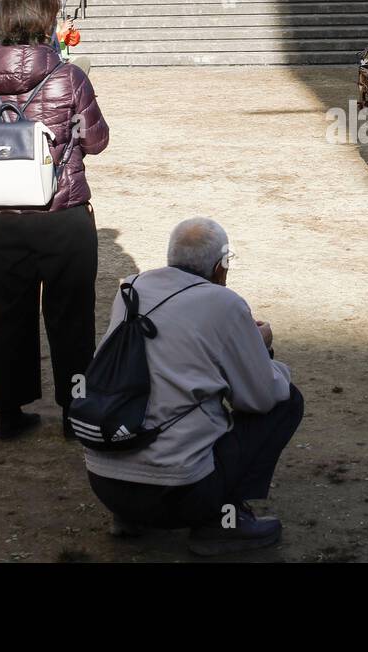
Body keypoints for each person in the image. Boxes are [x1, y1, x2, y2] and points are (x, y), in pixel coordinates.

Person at [84, 217, 303, 555]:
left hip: (104, 482)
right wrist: (258, 347)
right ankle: (220, 523)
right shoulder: (225, 304)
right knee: (288, 400)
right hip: (177, 495)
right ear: (221, 267)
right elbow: (259, 398)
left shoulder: (131, 288)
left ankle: (128, 515)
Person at [0, 0, 110, 441]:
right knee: (72, 319)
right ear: (46, 22)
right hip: (62, 210)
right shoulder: (69, 77)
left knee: (8, 316)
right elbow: (96, 140)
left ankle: (9, 411)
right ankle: (74, 413)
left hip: (5, 212)